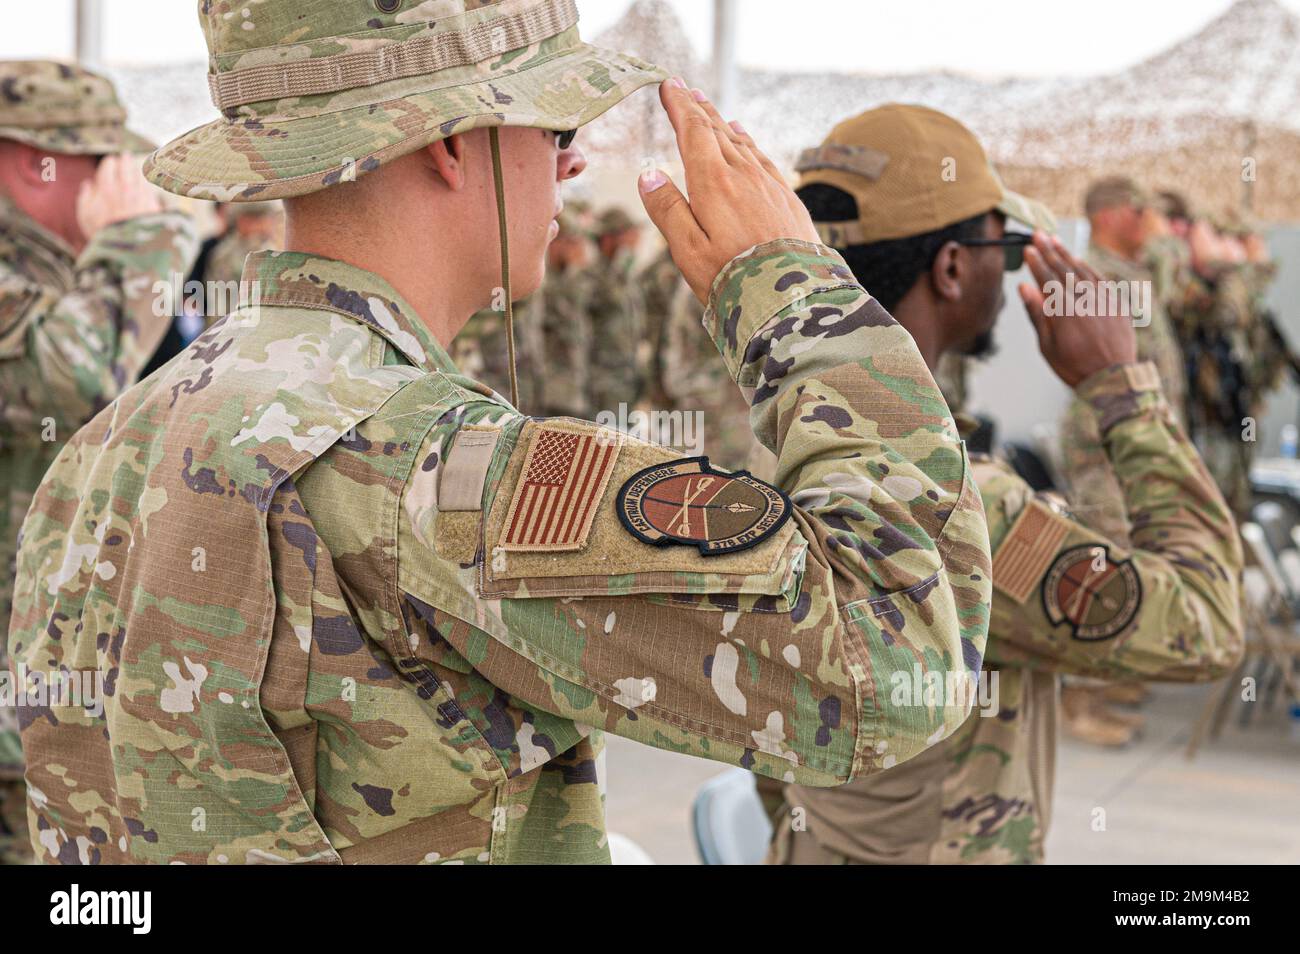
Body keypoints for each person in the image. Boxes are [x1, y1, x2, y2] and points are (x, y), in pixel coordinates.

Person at [9, 0, 990, 864]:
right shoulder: (433, 467)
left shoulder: (110, 439)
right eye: (554, 123)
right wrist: (797, 296)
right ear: (452, 139)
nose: (571, 161)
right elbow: (893, 671)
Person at [767, 105, 1243, 865]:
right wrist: (1122, 388)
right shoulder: (957, 507)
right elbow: (1208, 621)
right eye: (1006, 249)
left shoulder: (777, 443)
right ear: (953, 267)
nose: (1011, 271)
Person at [0, 59, 199, 863]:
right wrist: (142, 244)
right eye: (103, 164)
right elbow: (71, 374)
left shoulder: (57, 274)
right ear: (28, 162)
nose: (125, 184)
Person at [586, 207, 646, 416]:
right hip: (601, 379)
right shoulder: (592, 277)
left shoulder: (624, 275)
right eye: (626, 235)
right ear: (609, 239)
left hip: (626, 375)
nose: (633, 241)